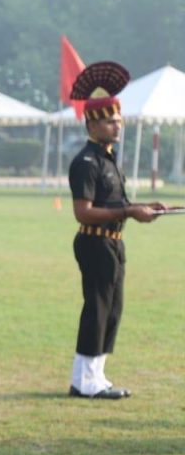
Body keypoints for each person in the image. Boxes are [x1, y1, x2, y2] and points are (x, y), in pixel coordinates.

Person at [66, 62, 167, 399]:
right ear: (93, 124)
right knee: (97, 308)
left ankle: (94, 376)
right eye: (111, 120)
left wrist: (145, 206)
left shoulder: (109, 158)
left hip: (113, 242)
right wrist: (130, 212)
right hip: (94, 242)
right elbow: (84, 211)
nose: (117, 125)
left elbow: (115, 201)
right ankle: (86, 382)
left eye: (118, 120)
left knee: (112, 309)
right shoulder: (86, 163)